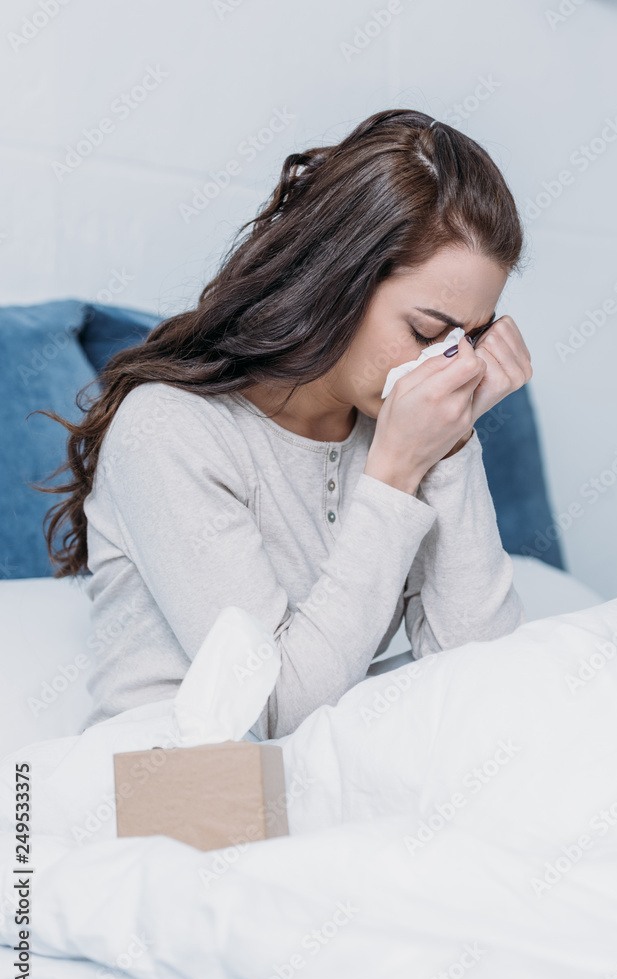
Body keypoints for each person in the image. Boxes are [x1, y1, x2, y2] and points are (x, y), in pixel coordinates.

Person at [38, 108, 533, 740]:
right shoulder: (170, 430)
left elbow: (483, 679)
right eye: (428, 333)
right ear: (336, 282)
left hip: (334, 792)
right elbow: (269, 713)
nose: (446, 366)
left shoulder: (398, 432)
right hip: (178, 794)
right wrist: (395, 474)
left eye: (470, 339)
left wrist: (454, 441)